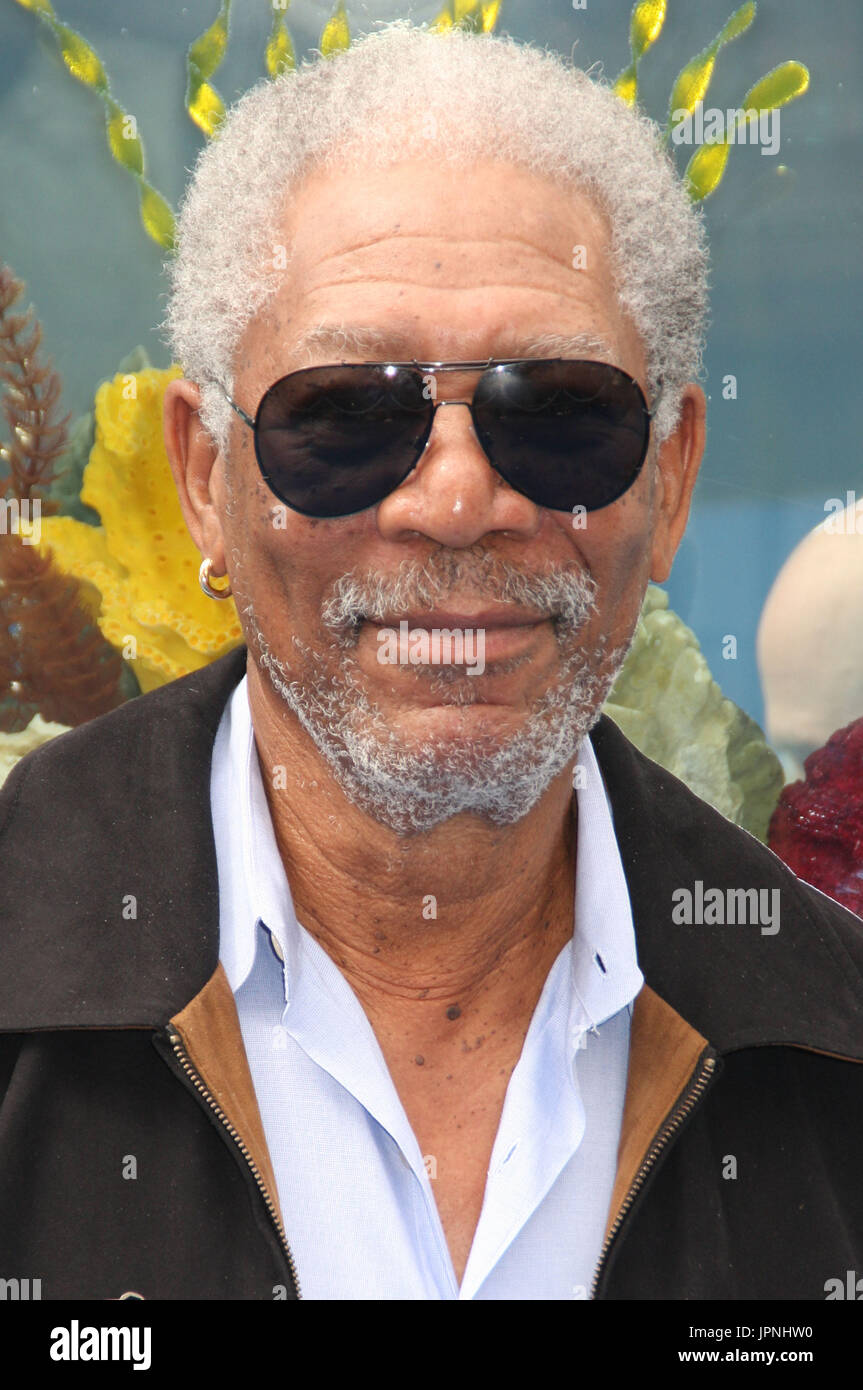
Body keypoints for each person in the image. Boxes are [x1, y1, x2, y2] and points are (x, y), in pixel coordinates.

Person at [1, 20, 861, 1303]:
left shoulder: (825, 1036)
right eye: (344, 414)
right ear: (202, 480)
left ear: (671, 481)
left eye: (560, 413)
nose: (455, 500)